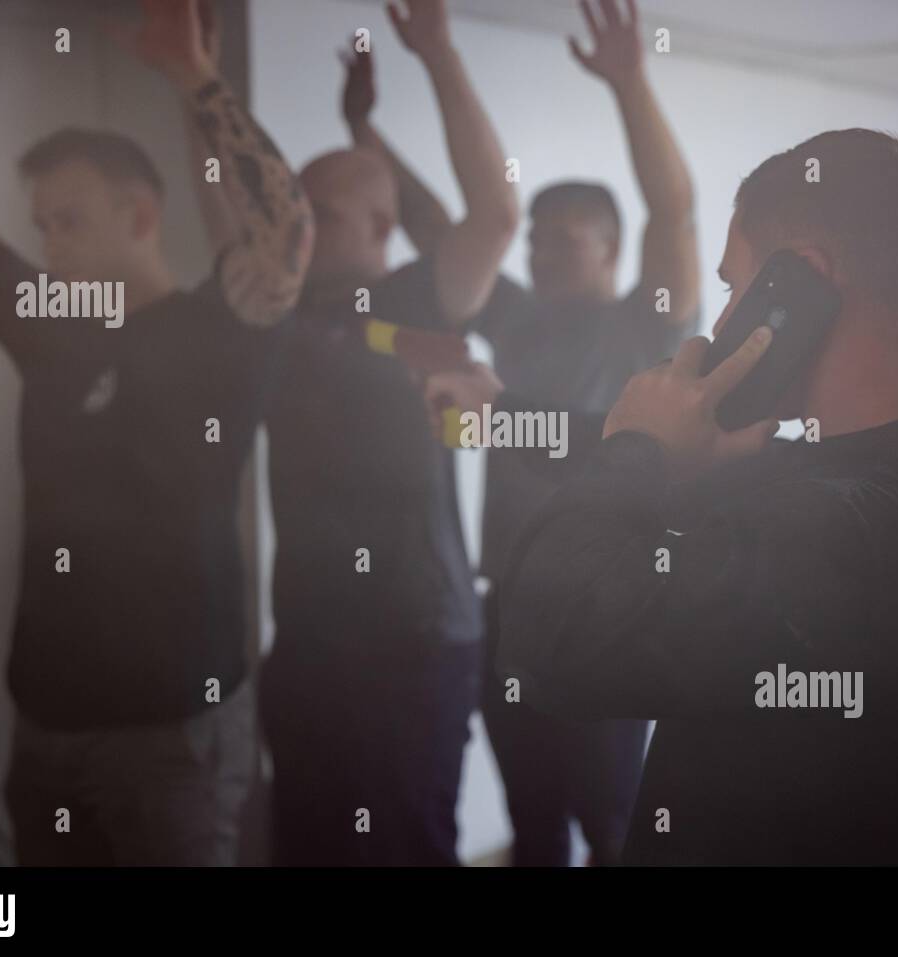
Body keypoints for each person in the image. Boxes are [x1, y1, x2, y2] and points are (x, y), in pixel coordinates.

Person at [493, 129, 898, 865]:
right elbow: (705, 451)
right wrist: (503, 414)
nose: (724, 319)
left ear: (798, 289)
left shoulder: (881, 520)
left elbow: (553, 640)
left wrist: (634, 450)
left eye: (735, 287)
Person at [0, 0, 314, 865]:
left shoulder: (218, 330)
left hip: (172, 741)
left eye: (68, 220)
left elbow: (285, 234)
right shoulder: (53, 323)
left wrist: (196, 79)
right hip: (44, 728)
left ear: (140, 215)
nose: (49, 245)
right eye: (41, 225)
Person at [411, 0, 699, 865]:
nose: (538, 255)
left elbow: (674, 209)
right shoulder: (523, 322)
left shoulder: (648, 324)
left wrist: (629, 82)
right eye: (534, 241)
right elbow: (442, 224)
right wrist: (434, 60)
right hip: (512, 614)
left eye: (563, 242)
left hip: (610, 611)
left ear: (611, 250)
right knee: (533, 826)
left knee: (612, 828)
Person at [260, 0, 519, 866]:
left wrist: (438, 56)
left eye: (319, 217)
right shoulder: (274, 309)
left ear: (379, 227)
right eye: (293, 212)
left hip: (415, 645)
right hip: (306, 645)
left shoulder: (415, 303)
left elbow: (494, 212)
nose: (298, 231)